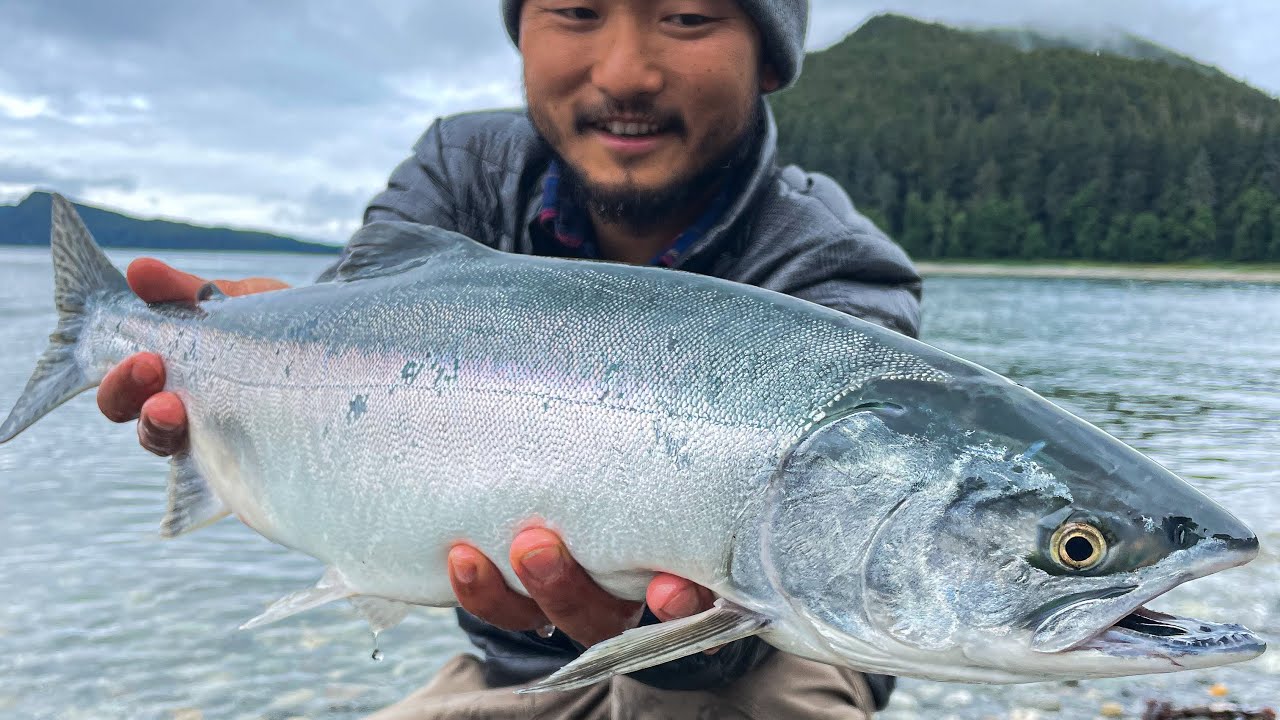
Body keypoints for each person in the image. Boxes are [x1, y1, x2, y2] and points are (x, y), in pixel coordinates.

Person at [96, 1, 922, 717]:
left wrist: (666, 639)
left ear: (771, 58)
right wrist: (228, 369)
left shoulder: (838, 268)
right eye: (576, 12)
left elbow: (831, 587)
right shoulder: (460, 171)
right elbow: (345, 321)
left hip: (769, 676)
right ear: (521, 33)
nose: (627, 71)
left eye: (687, 18)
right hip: (515, 672)